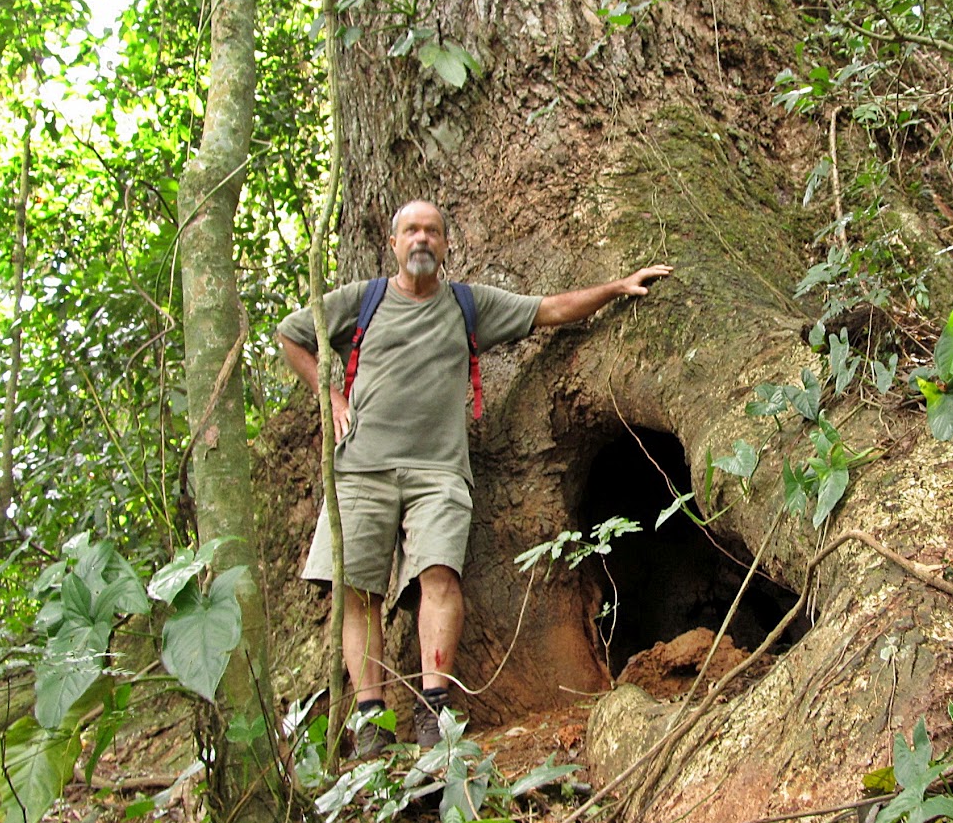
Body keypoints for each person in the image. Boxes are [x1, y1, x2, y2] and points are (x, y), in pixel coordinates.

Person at [278, 199, 672, 754]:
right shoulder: (362, 301)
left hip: (438, 472)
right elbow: (291, 333)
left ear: (444, 246)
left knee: (439, 578)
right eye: (410, 231)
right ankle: (370, 718)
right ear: (393, 244)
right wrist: (334, 395)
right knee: (359, 594)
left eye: (432, 232)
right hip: (358, 467)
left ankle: (433, 709)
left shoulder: (467, 305)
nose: (421, 239)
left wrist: (615, 287)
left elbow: (551, 309)